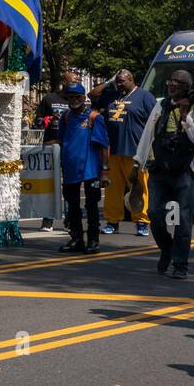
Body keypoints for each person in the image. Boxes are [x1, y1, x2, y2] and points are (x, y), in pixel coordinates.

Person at [135, 70, 194, 278]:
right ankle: (167, 249)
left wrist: (187, 115)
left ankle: (180, 264)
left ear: (187, 86)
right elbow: (148, 133)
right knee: (154, 213)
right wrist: (138, 162)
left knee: (184, 219)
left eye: (178, 82)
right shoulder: (161, 104)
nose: (172, 85)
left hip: (186, 170)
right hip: (160, 168)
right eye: (170, 81)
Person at [97, 69, 156, 237]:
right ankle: (112, 221)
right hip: (113, 151)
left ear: (132, 80)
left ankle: (142, 221)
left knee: (139, 188)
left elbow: (156, 120)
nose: (119, 85)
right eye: (117, 82)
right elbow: (91, 95)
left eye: (122, 81)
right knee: (112, 189)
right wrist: (109, 82)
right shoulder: (111, 95)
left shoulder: (145, 96)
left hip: (136, 152)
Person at [56, 82, 108, 254]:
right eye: (70, 97)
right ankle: (76, 238)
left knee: (92, 206)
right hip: (70, 169)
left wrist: (105, 171)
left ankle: (93, 241)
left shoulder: (94, 117)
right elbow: (60, 140)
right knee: (72, 206)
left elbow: (103, 146)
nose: (73, 100)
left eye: (76, 97)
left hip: (91, 169)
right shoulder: (66, 117)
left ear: (83, 97)